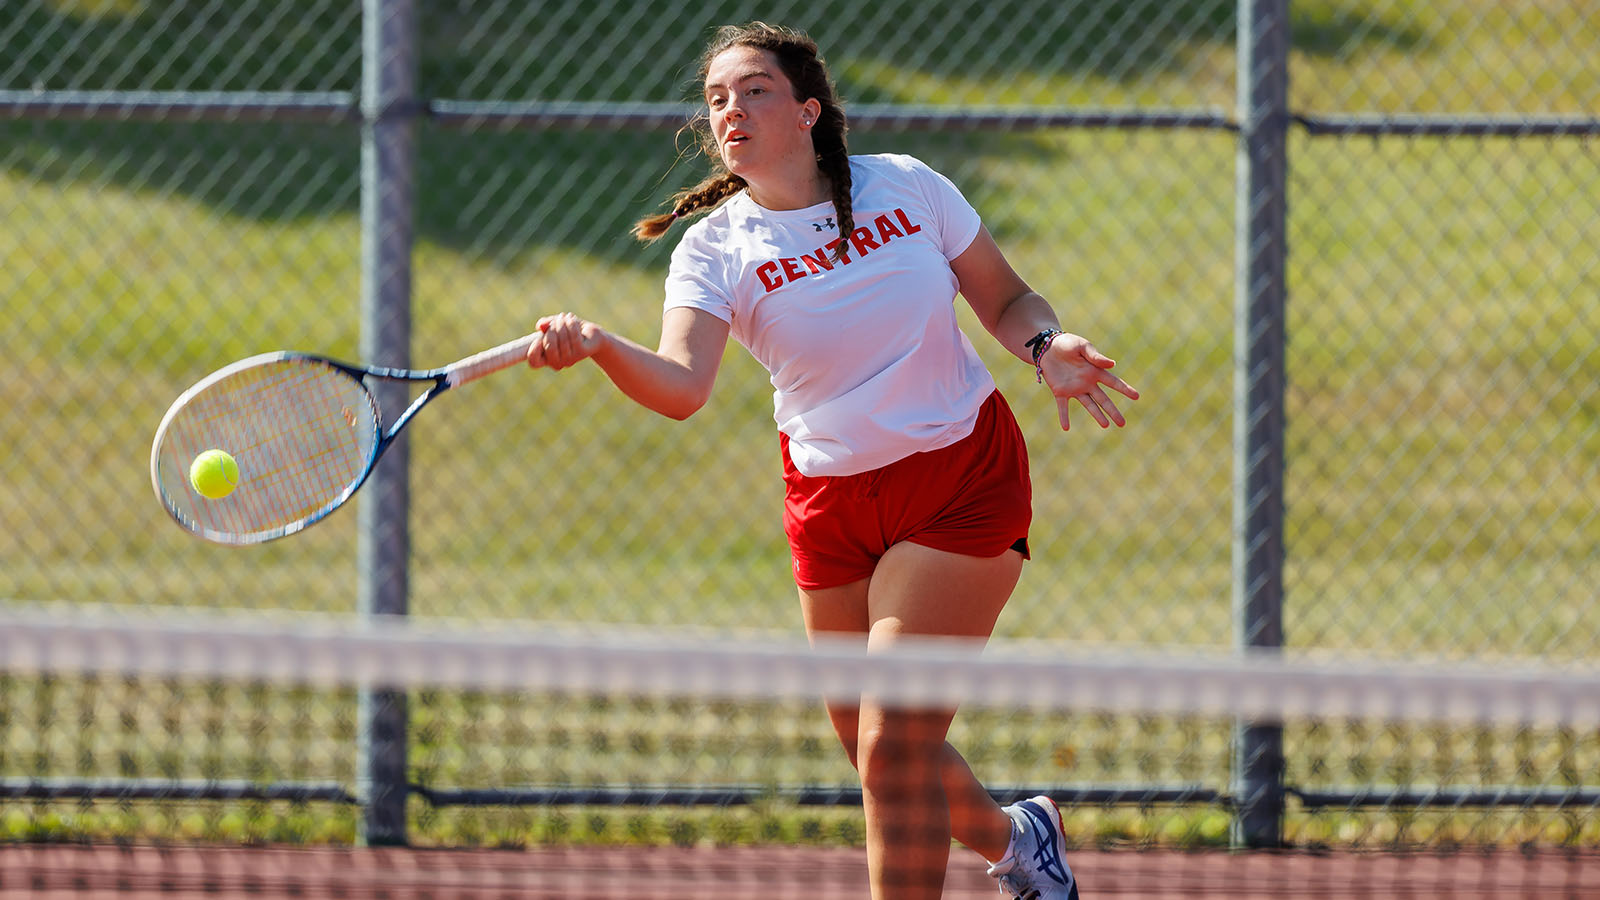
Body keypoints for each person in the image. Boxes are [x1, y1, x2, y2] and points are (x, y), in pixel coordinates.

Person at [525, 21, 1137, 900]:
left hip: (959, 479)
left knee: (893, 745)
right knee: (879, 751)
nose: (730, 108)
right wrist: (596, 346)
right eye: (716, 98)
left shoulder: (909, 187)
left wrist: (1046, 347)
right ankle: (1019, 838)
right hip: (828, 501)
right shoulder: (714, 249)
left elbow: (1004, 296)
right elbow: (681, 385)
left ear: (808, 110)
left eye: (755, 90)